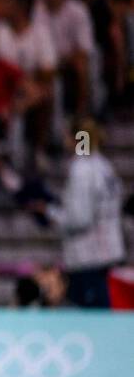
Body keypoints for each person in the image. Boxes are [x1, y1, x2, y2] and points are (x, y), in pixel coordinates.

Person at [37, 120, 126, 307]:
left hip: (88, 257)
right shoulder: (103, 165)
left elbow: (80, 218)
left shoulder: (82, 169)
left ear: (74, 138)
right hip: (108, 253)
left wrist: (51, 212)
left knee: (92, 321)